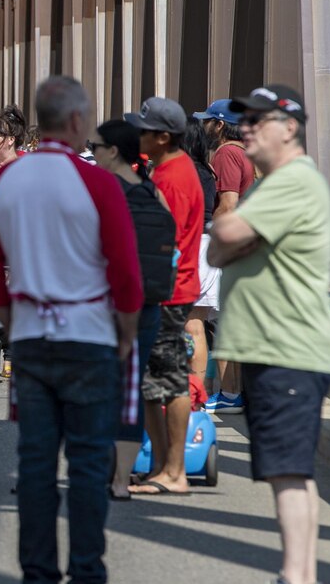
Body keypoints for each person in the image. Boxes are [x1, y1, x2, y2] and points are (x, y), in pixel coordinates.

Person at [0, 76, 142, 583]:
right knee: (90, 464)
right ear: (74, 122)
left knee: (37, 465)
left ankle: (38, 572)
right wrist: (126, 334)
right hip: (89, 337)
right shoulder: (98, 183)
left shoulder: (4, 182)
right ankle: (88, 570)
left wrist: (11, 320)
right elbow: (126, 273)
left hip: (30, 339)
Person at [208, 85, 330, 584]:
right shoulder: (276, 183)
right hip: (277, 347)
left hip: (286, 348)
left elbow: (225, 236)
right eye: (244, 120)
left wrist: (235, 235)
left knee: (287, 472)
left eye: (258, 121)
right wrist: (234, 237)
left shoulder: (291, 181)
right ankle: (297, 573)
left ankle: (296, 575)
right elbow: (221, 249)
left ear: (289, 127)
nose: (246, 129)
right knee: (289, 471)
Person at [125, 97, 203, 497]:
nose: (137, 134)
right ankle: (160, 465)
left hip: (169, 293)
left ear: (162, 136)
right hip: (162, 290)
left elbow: (158, 240)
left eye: (143, 128)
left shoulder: (173, 178)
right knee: (150, 382)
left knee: (169, 380)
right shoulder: (166, 169)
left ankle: (175, 471)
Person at [91, 120, 172, 501]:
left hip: (105, 304)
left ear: (111, 150)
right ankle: (122, 480)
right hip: (148, 305)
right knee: (131, 389)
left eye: (96, 146)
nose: (92, 152)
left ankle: (92, 467)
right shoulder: (153, 191)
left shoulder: (102, 190)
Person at [195, 98, 255, 412]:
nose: (202, 126)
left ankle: (230, 393)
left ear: (219, 125)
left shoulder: (227, 154)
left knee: (219, 320)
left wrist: (209, 231)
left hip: (228, 246)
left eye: (207, 120)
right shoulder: (247, 153)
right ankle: (234, 391)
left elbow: (228, 203)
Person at [181, 117, 218, 387]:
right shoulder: (207, 171)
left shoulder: (186, 171)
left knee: (191, 326)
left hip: (192, 246)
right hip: (207, 246)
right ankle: (199, 391)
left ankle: (192, 392)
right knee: (198, 326)